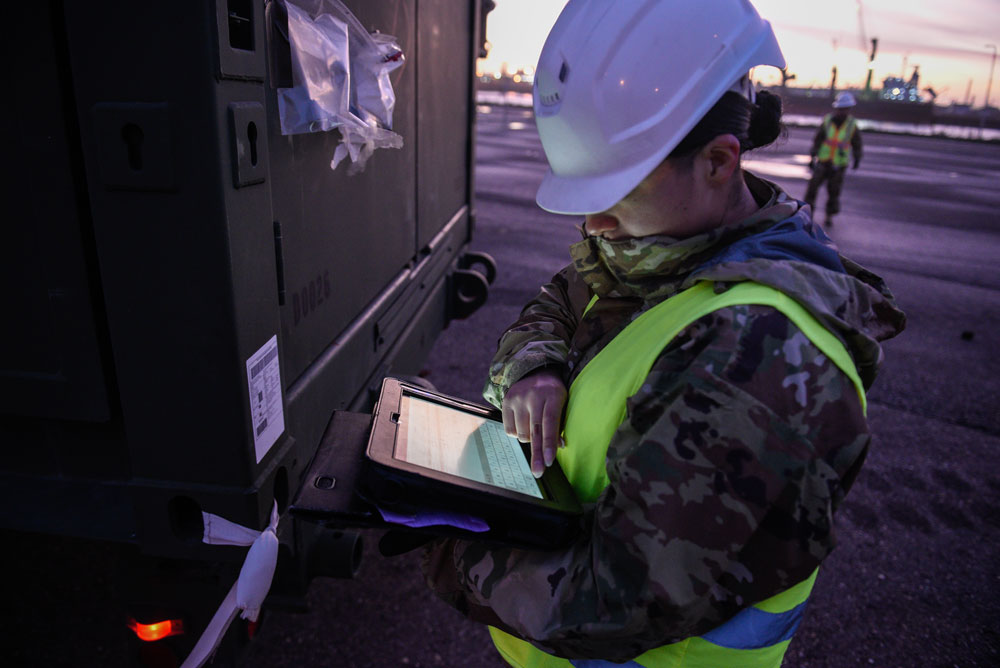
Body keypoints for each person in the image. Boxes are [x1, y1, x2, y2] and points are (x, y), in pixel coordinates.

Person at [422, 1, 905, 666]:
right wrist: (537, 360)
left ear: (719, 159)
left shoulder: (758, 353)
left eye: (615, 192)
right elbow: (565, 295)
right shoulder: (665, 242)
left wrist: (446, 539)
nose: (593, 223)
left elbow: (613, 601)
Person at [803, 91, 863, 227]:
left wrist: (857, 158)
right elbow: (818, 140)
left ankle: (829, 216)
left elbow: (857, 143)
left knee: (834, 192)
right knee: (812, 189)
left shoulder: (852, 125)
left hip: (839, 165)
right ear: (836, 108)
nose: (843, 111)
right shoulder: (827, 121)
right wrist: (812, 156)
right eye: (841, 109)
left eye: (846, 109)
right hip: (823, 162)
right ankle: (807, 214)